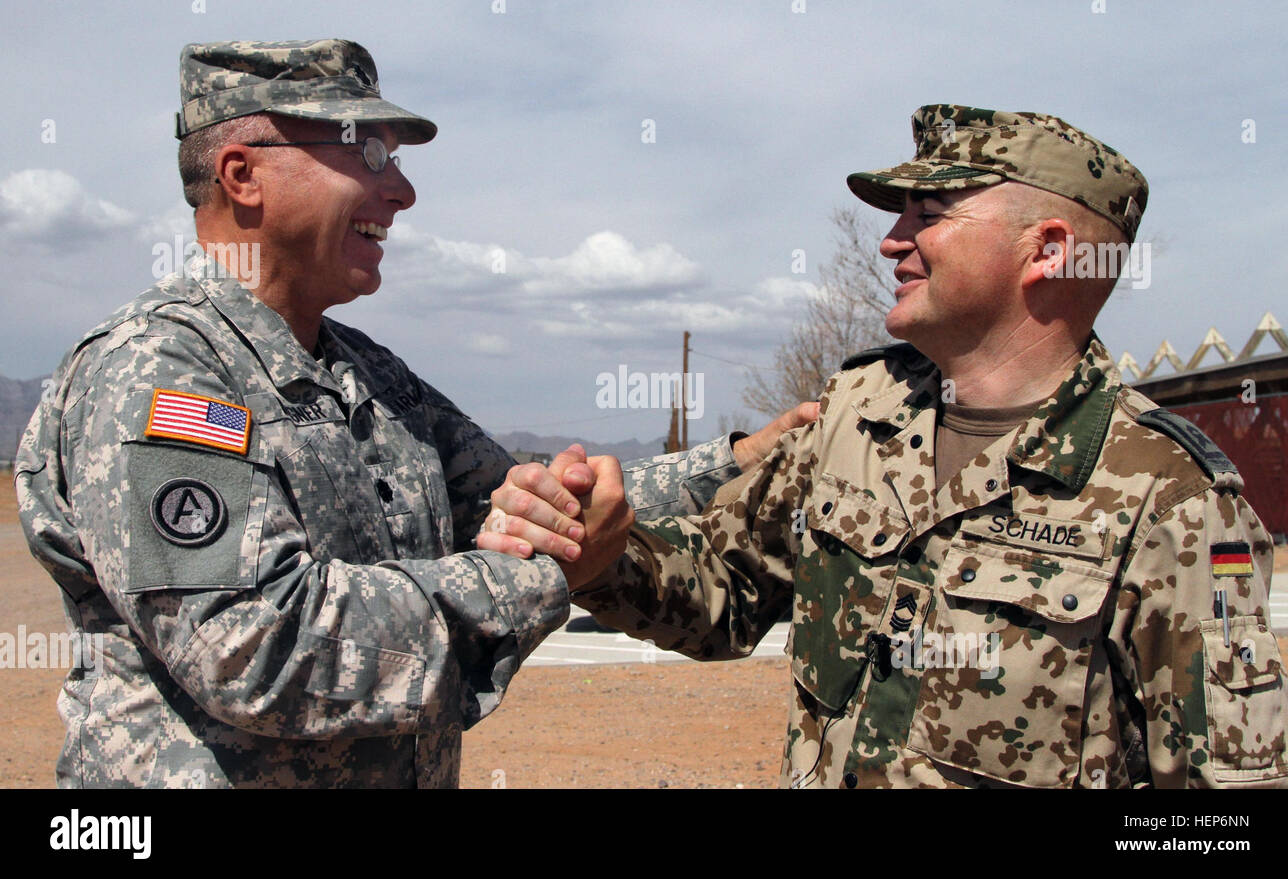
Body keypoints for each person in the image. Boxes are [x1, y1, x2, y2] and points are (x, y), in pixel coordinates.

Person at [14, 38, 809, 789]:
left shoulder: (371, 376)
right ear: (241, 174)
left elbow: (529, 497)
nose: (401, 190)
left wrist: (735, 460)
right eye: (366, 152)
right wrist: (544, 574)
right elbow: (259, 646)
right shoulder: (157, 371)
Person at [490, 105, 1288, 788]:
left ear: (1048, 250)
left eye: (928, 213)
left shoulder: (1173, 497)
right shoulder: (856, 411)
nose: (891, 241)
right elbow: (722, 592)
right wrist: (603, 555)